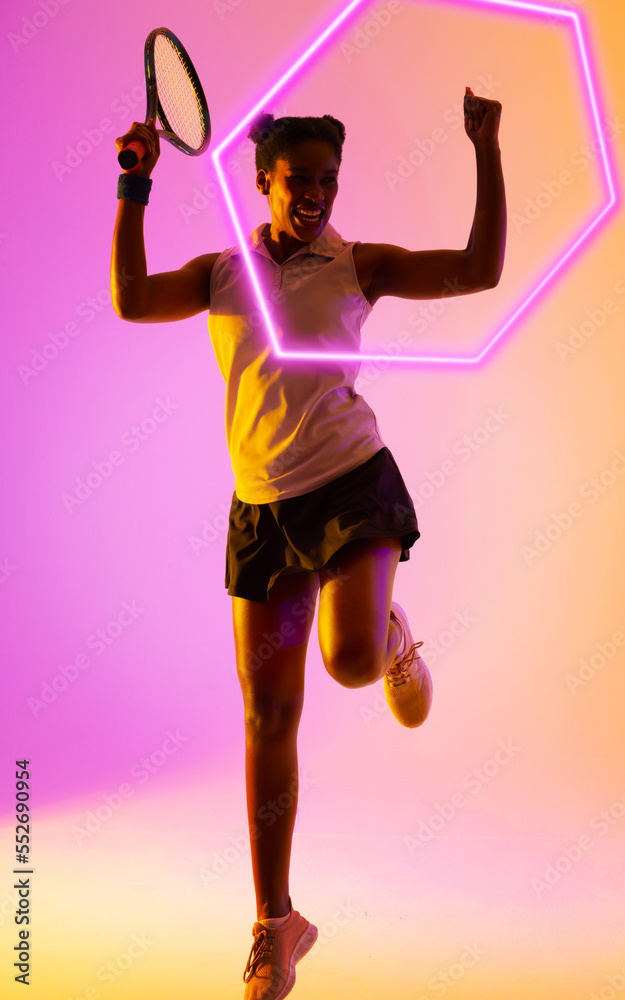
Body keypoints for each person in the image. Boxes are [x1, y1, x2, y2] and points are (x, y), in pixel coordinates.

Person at [111, 86, 505, 1000]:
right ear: (261, 181)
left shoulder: (357, 263)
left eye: (328, 179)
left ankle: (392, 634)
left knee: (354, 660)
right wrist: (133, 188)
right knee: (266, 721)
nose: (316, 195)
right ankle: (276, 924)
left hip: (351, 487)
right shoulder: (221, 271)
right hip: (262, 512)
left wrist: (484, 147)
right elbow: (131, 300)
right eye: (297, 181)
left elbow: (479, 268)